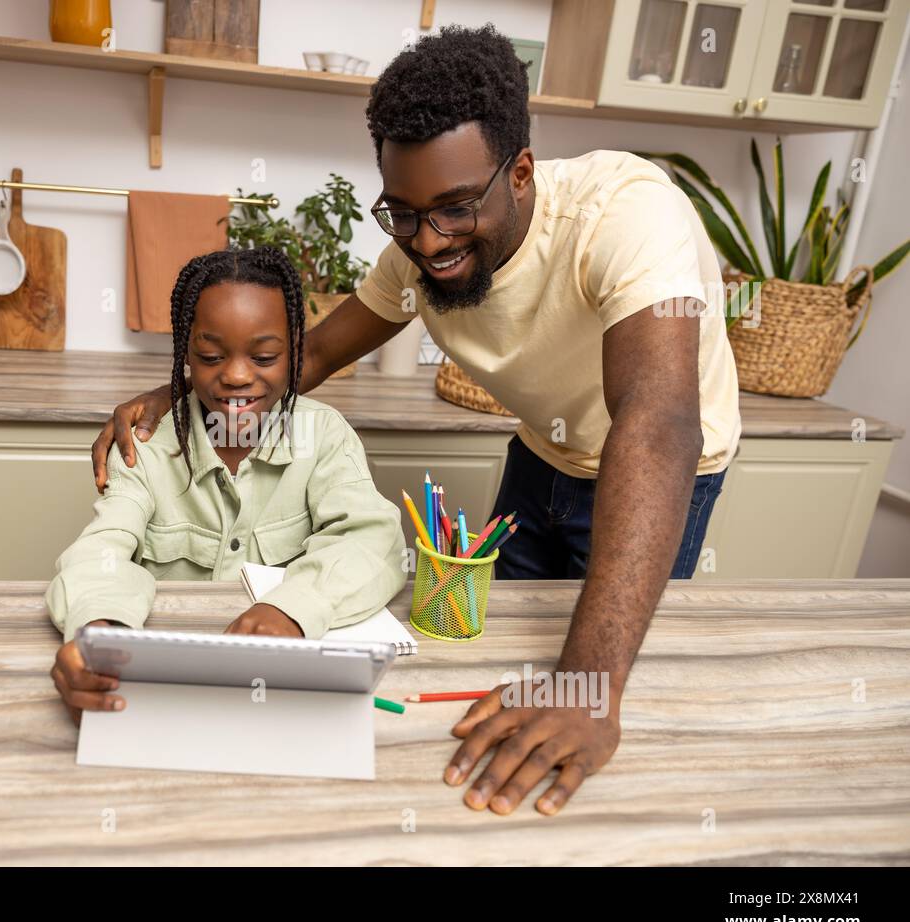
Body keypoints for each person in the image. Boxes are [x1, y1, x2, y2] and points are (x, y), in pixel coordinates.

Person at [89, 26, 741, 815]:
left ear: (523, 173)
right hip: (544, 457)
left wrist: (590, 690)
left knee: (587, 693)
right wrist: (181, 392)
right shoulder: (418, 250)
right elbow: (319, 352)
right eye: (402, 213)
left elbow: (658, 422)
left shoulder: (629, 218)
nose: (428, 243)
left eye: (455, 211)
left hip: (659, 471)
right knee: (488, 651)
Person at [47, 247, 406, 724]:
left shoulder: (323, 436)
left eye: (264, 356)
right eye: (211, 356)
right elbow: (103, 548)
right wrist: (98, 627)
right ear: (185, 351)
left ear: (295, 350)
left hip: (281, 694)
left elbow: (373, 540)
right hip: (168, 693)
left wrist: (296, 609)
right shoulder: (145, 446)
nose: (236, 375)